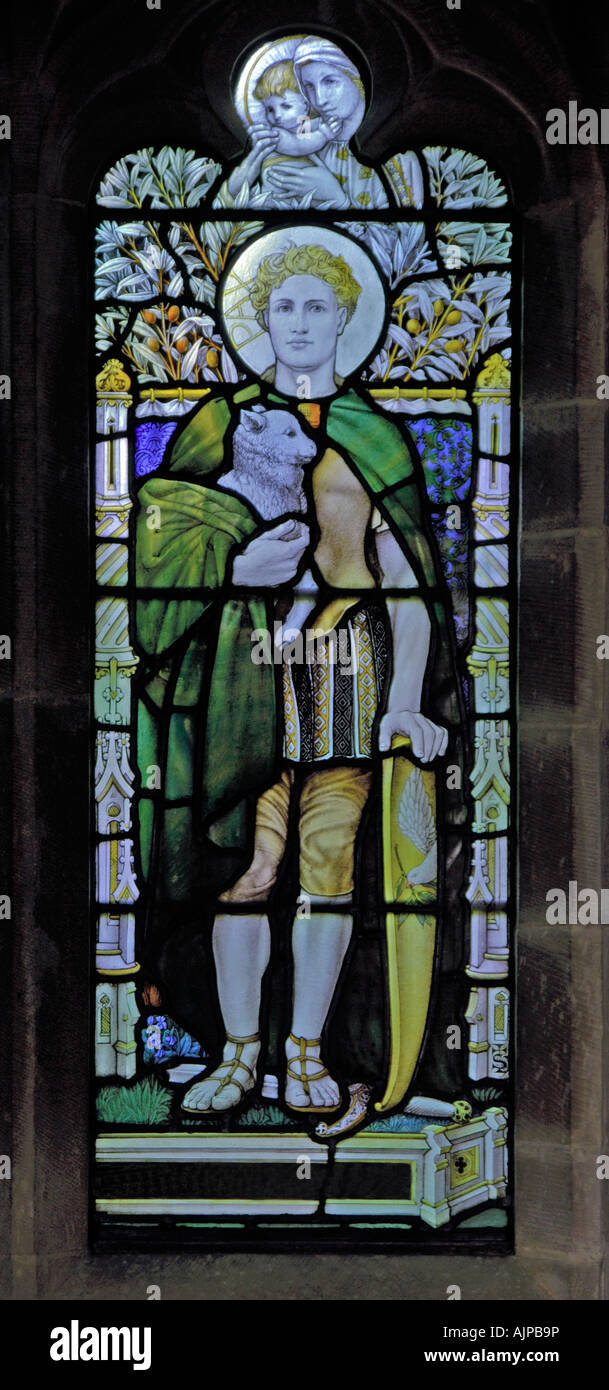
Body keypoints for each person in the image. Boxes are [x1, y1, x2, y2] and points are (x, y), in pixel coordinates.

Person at [134, 242, 464, 1117]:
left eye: (320, 309)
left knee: (327, 874)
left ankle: (307, 1053)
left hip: (346, 678)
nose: (301, 325)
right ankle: (238, 1057)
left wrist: (403, 704)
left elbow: (408, 585)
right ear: (263, 319)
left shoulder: (374, 435)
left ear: (346, 322)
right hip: (242, 683)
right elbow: (168, 548)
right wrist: (231, 578)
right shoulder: (221, 424)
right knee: (245, 870)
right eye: (285, 308)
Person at [225, 60, 340, 203]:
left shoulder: (305, 124)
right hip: (277, 189)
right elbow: (298, 146)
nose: (277, 115)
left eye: (286, 106)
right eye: (270, 109)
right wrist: (324, 134)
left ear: (306, 105)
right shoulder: (276, 134)